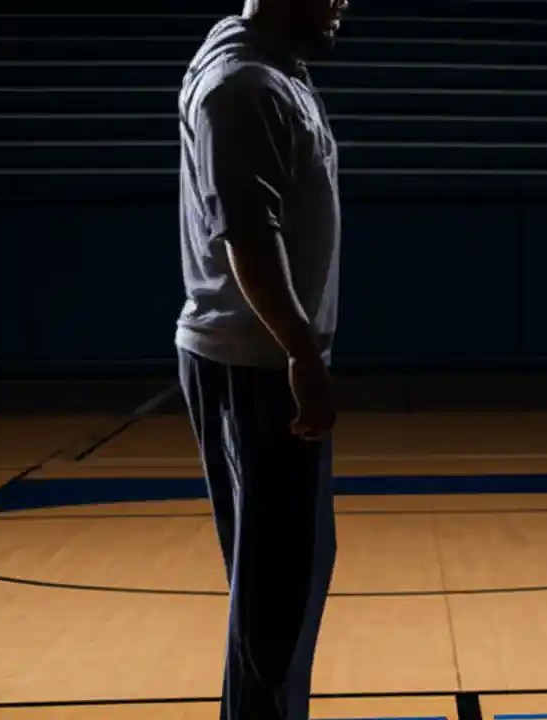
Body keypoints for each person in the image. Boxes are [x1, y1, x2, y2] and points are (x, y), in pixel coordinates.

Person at [174, 0, 347, 717]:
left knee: (285, 582)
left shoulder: (272, 65)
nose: (341, 2)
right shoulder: (242, 87)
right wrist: (301, 352)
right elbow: (248, 234)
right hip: (258, 363)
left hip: (259, 357)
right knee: (275, 601)